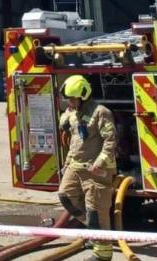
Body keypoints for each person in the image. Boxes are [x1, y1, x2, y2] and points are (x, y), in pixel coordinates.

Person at [57, 74, 116, 261]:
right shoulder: (74, 115)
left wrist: (100, 163)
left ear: (84, 96)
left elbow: (111, 140)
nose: (71, 103)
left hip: (95, 170)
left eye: (74, 99)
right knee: (66, 196)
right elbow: (75, 141)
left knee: (96, 210)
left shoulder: (101, 112)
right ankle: (94, 230)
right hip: (75, 166)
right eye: (69, 99)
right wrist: (66, 165)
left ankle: (103, 253)